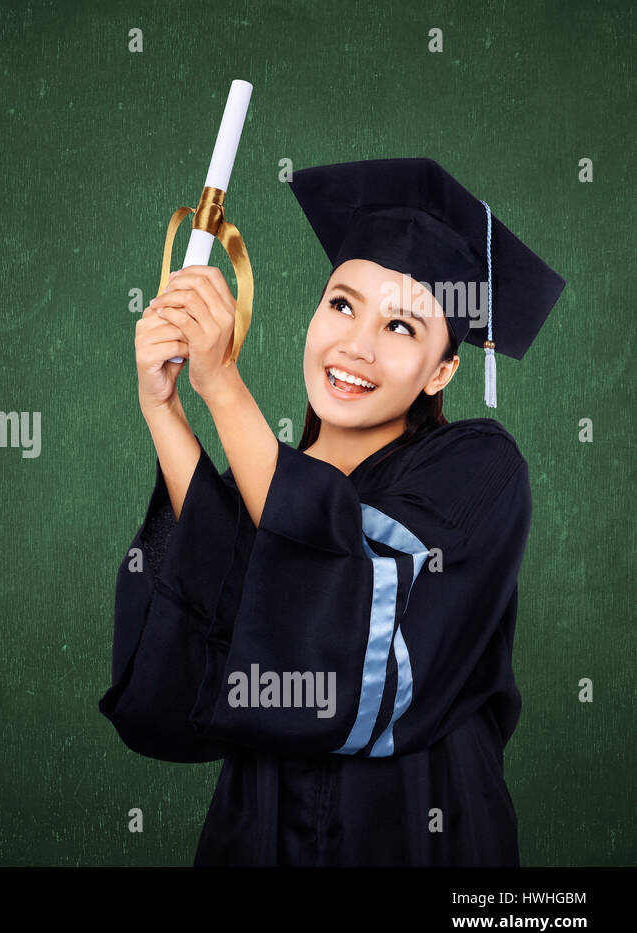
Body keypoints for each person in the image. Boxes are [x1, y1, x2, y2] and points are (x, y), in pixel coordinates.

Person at [98, 157, 567, 865]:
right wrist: (163, 407)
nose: (355, 345)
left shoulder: (480, 469)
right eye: (342, 305)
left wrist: (222, 384)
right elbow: (181, 679)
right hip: (258, 833)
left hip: (421, 831)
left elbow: (356, 604)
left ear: (443, 370)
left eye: (402, 328)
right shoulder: (262, 479)